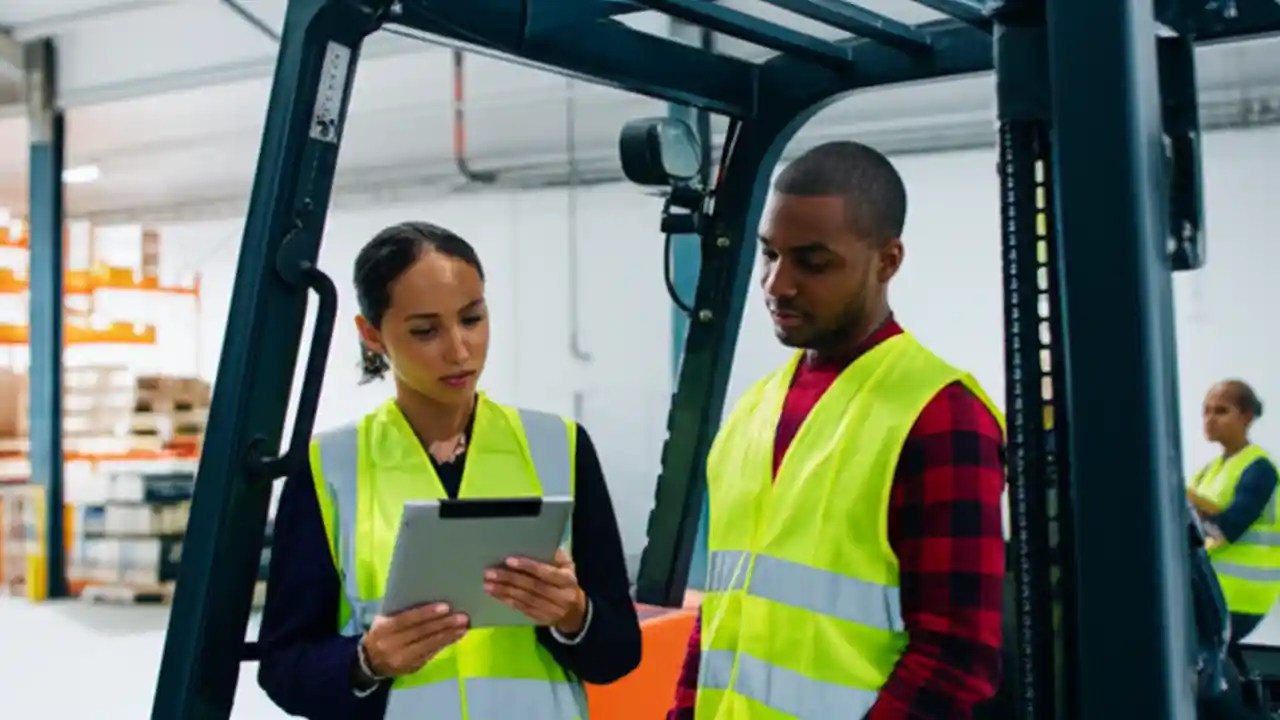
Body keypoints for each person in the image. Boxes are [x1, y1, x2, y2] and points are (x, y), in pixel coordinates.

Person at [667, 141, 1007, 720]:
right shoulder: (753, 410)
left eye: (812, 262)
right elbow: (724, 617)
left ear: (887, 260)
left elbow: (955, 659)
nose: (777, 284)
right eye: (769, 255)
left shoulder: (939, 414)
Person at [257, 221, 641, 719]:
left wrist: (574, 615)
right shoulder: (328, 466)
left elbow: (618, 651)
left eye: (472, 319)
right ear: (371, 334)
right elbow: (284, 667)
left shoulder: (559, 447)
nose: (460, 350)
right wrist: (366, 662)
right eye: (425, 330)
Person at [1187, 379, 1280, 666]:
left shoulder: (1259, 469)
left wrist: (1187, 498)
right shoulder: (1208, 471)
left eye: (1221, 411)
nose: (1210, 419)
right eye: (1206, 411)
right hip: (1209, 590)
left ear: (1246, 417)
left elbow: (1226, 530)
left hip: (1238, 597)